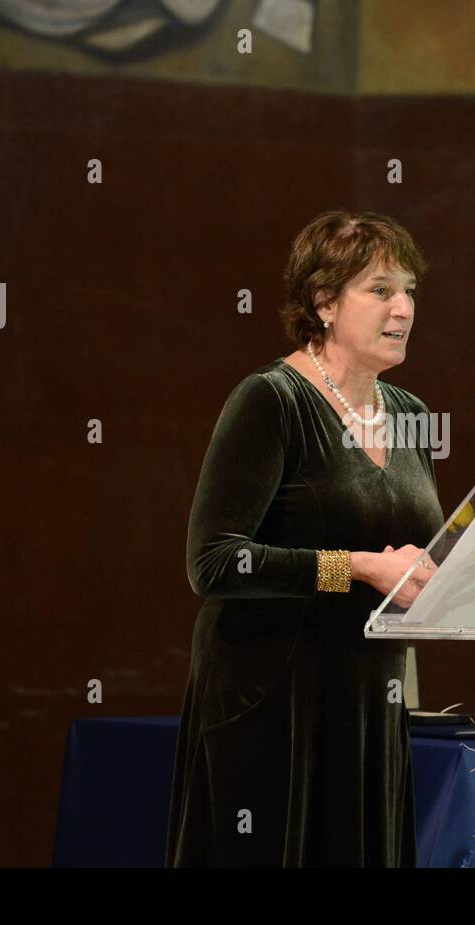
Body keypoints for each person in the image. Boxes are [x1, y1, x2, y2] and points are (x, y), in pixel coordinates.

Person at [165, 210, 444, 867]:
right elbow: (212, 562)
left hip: (371, 705)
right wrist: (358, 567)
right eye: (380, 290)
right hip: (273, 702)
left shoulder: (412, 416)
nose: (403, 306)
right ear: (323, 301)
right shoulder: (272, 401)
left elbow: (415, 554)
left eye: (409, 290)